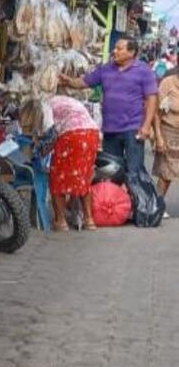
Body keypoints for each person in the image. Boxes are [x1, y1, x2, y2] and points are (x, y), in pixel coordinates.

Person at [59, 36, 157, 177]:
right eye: (115, 48)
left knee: (134, 172)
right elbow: (84, 82)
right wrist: (68, 81)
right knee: (111, 171)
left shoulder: (143, 70)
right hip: (110, 129)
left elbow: (152, 98)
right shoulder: (105, 69)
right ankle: (116, 199)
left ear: (131, 52)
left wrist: (146, 126)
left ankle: (135, 198)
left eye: (119, 48)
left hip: (133, 129)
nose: (114, 51)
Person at [46, 95, 101, 231]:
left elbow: (47, 133)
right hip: (92, 134)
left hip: (72, 135)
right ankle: (89, 220)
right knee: (84, 177)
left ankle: (61, 220)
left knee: (57, 177)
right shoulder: (68, 101)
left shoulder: (46, 106)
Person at [153, 66, 179, 206]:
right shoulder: (167, 83)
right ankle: (156, 206)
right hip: (169, 131)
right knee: (166, 174)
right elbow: (157, 113)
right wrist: (158, 137)